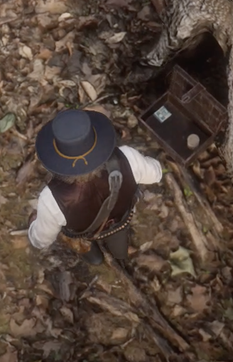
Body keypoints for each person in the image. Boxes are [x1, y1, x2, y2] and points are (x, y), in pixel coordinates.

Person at [28, 109, 163, 264]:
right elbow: (156, 173)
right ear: (96, 141)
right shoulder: (128, 158)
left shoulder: (51, 199)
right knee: (119, 238)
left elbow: (41, 240)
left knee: (84, 243)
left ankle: (95, 257)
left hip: (84, 232)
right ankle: (120, 256)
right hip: (120, 219)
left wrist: (32, 224)